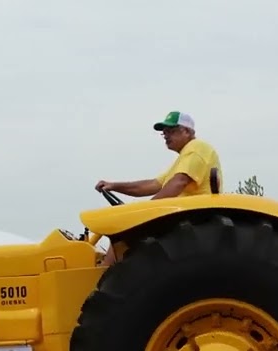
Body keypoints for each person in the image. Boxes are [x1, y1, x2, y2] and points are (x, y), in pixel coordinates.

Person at [94, 111, 223, 266]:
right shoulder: (183, 158)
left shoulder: (196, 148)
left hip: (192, 220)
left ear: (187, 131)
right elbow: (152, 185)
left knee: (123, 235)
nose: (167, 136)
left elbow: (178, 183)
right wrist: (114, 186)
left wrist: (145, 214)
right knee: (121, 234)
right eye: (165, 133)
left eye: (172, 131)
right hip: (185, 219)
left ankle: (100, 278)